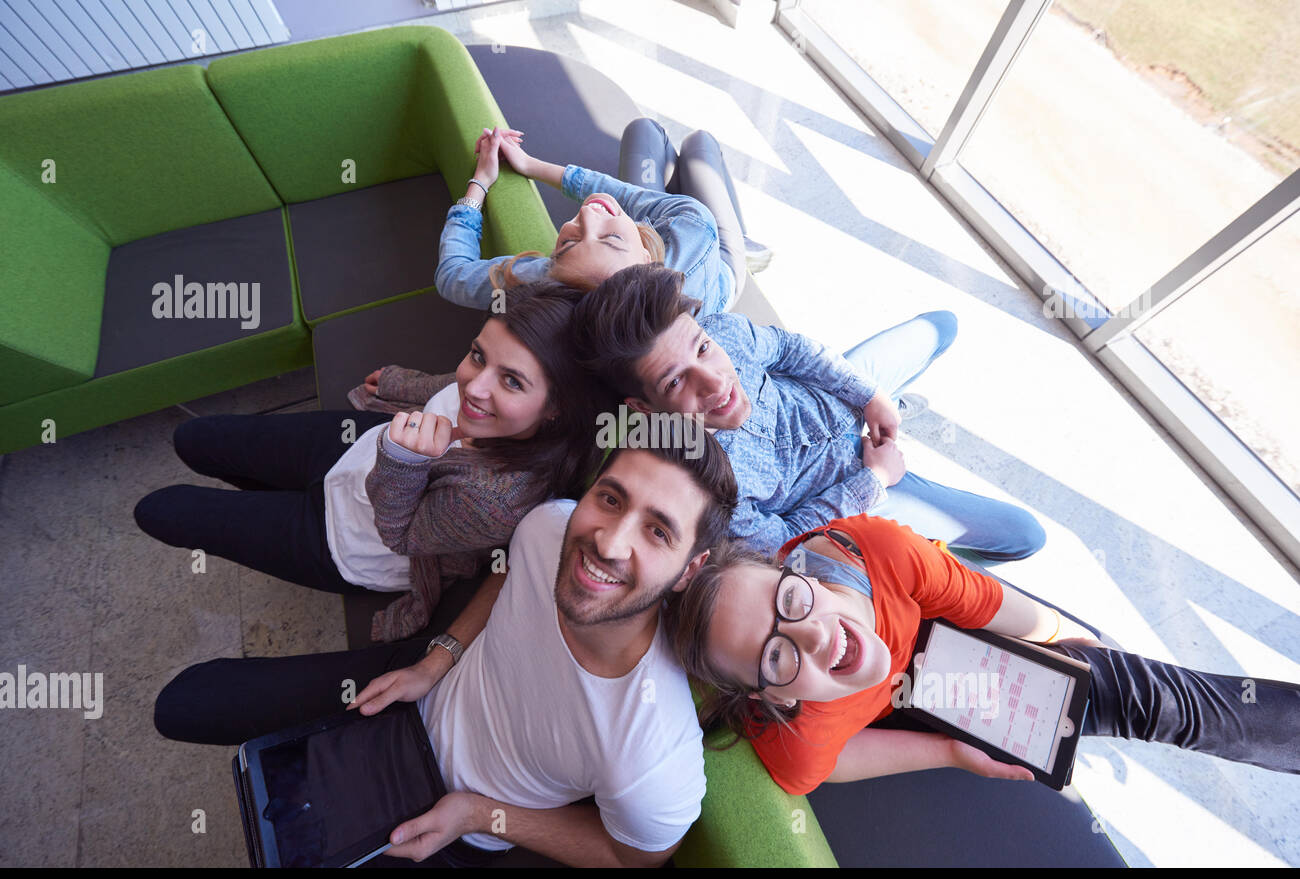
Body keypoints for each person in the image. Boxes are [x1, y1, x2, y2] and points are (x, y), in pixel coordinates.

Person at [154, 429, 740, 867]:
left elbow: (630, 857)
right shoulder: (550, 527)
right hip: (414, 695)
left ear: (689, 570)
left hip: (462, 822)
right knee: (186, 706)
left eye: (657, 531)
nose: (609, 542)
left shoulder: (656, 752)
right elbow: (512, 573)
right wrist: (438, 658)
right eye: (610, 499)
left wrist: (481, 815)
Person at [668, 513, 1300, 796]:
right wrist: (946, 752)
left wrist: (1065, 637)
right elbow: (832, 762)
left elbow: (999, 607)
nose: (814, 636)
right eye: (776, 657)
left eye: (793, 603)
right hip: (924, 695)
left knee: (1139, 695)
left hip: (937, 611)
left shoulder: (882, 551)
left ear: (791, 573)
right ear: (770, 695)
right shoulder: (795, 738)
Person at [134, 282, 607, 643]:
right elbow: (453, 384)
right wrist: (403, 384)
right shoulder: (483, 392)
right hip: (355, 449)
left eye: (513, 382)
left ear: (556, 408)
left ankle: (279, 509)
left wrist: (403, 461)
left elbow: (398, 534)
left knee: (164, 511)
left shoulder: (493, 500)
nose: (477, 387)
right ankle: (271, 501)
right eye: (478, 355)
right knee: (195, 438)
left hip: (348, 538)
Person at [570, 263, 1046, 560]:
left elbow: (793, 351)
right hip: (851, 482)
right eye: (676, 382)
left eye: (703, 350)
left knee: (943, 325)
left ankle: (895, 403)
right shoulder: (701, 488)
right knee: (1025, 536)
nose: (716, 383)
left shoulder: (723, 332)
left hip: (839, 402)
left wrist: (868, 395)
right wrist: (874, 481)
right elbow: (784, 543)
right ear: (644, 408)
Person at [435, 118, 766, 316]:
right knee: (699, 145)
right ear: (648, 257)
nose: (588, 215)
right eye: (611, 238)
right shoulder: (694, 230)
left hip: (654, 226)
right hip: (719, 267)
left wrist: (490, 177)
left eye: (569, 242)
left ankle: (659, 203)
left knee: (644, 129)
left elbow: (452, 276)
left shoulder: (552, 278)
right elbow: (621, 198)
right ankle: (743, 243)